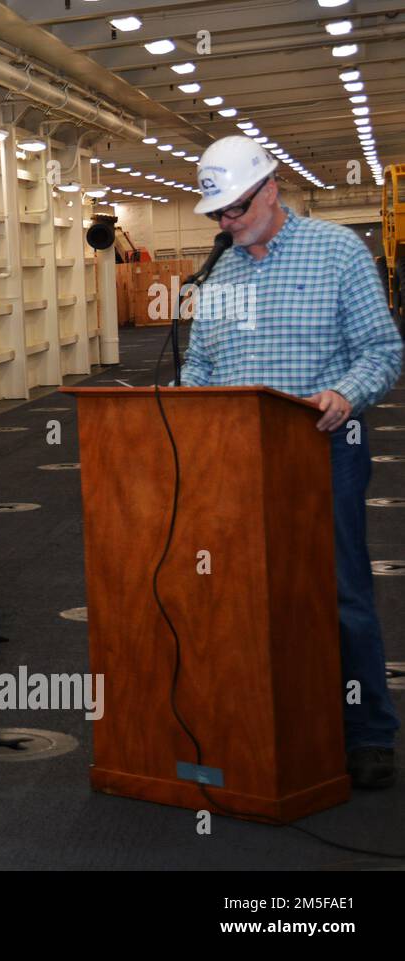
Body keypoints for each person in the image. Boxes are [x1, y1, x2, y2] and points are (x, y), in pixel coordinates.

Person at [182, 135, 404, 789]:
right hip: (234, 457)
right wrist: (187, 408)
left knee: (339, 592)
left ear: (271, 190)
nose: (224, 222)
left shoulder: (336, 251)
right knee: (242, 594)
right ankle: (263, 717)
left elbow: (382, 350)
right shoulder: (218, 273)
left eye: (234, 209)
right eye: (217, 213)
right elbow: (200, 365)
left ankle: (367, 732)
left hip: (322, 450)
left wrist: (346, 394)